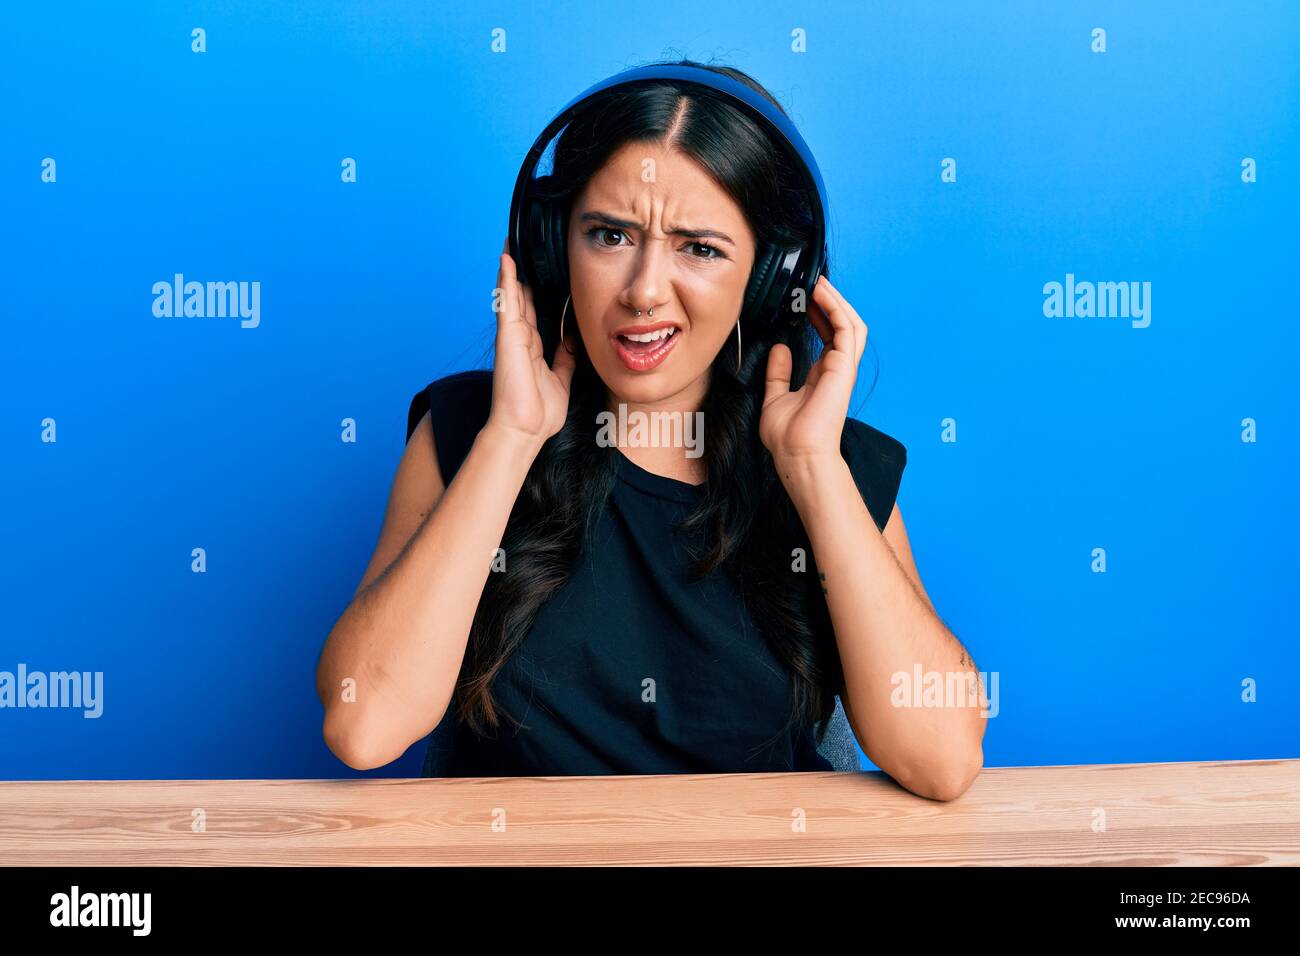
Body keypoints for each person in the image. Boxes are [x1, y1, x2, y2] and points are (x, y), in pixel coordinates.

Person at [316, 59, 985, 800]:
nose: (642, 290)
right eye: (609, 235)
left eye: (700, 248)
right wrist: (511, 439)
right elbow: (365, 724)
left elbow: (942, 760)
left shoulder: (831, 461)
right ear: (551, 245)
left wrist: (813, 469)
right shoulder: (470, 431)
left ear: (770, 279)